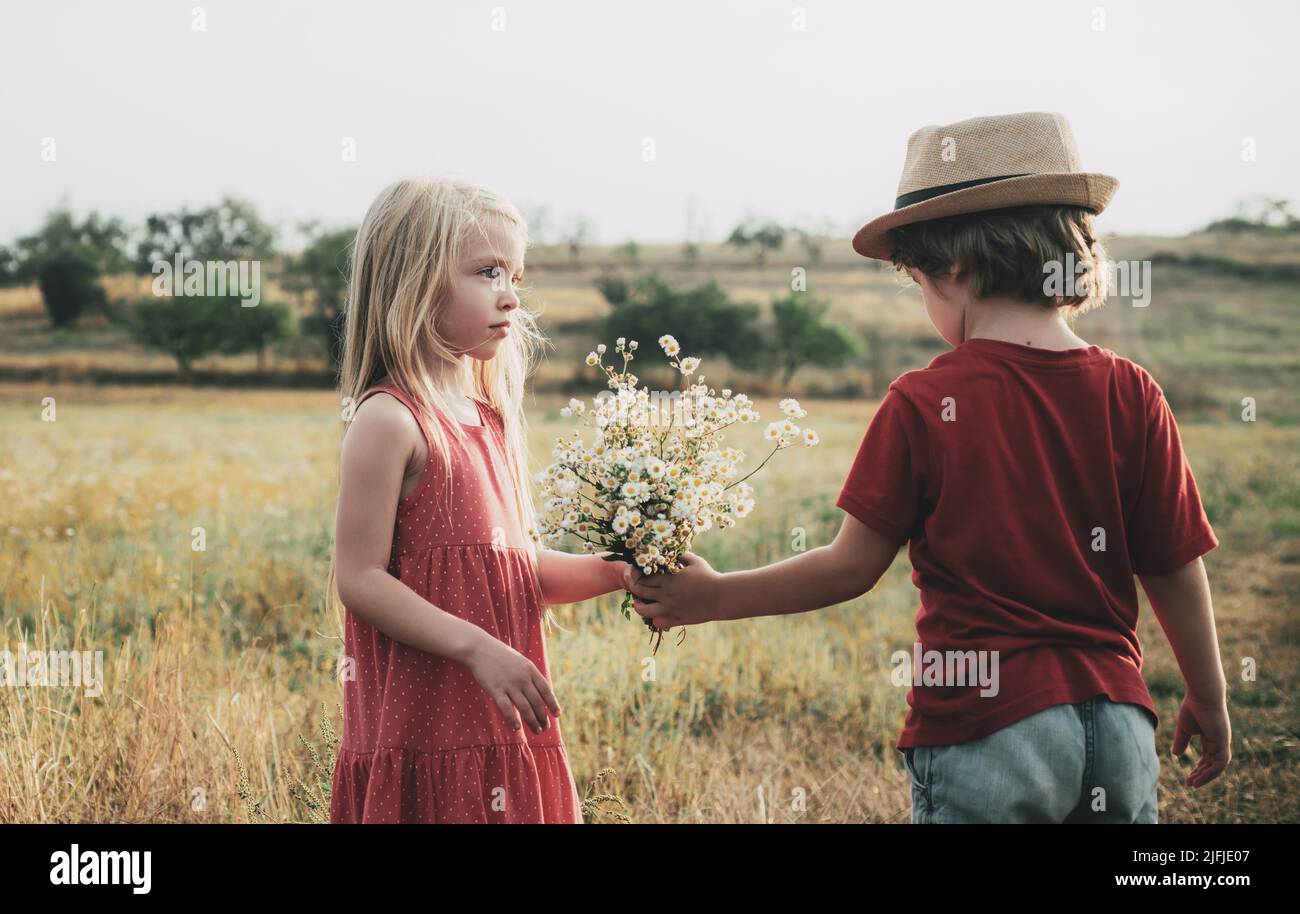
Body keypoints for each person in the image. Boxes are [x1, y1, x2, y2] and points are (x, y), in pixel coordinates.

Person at [627, 112, 1231, 823]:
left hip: (987, 728)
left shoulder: (925, 400)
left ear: (954, 267)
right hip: (1120, 725)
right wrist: (1209, 695)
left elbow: (848, 568)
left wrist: (713, 596)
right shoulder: (1133, 392)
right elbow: (1173, 565)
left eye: (918, 282)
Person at [328, 178, 629, 823]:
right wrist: (479, 648)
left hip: (498, 734)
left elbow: (513, 572)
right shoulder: (391, 420)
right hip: (426, 738)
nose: (511, 296)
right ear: (415, 281)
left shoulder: (486, 417)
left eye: (515, 273)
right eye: (488, 271)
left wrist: (620, 571)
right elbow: (359, 580)